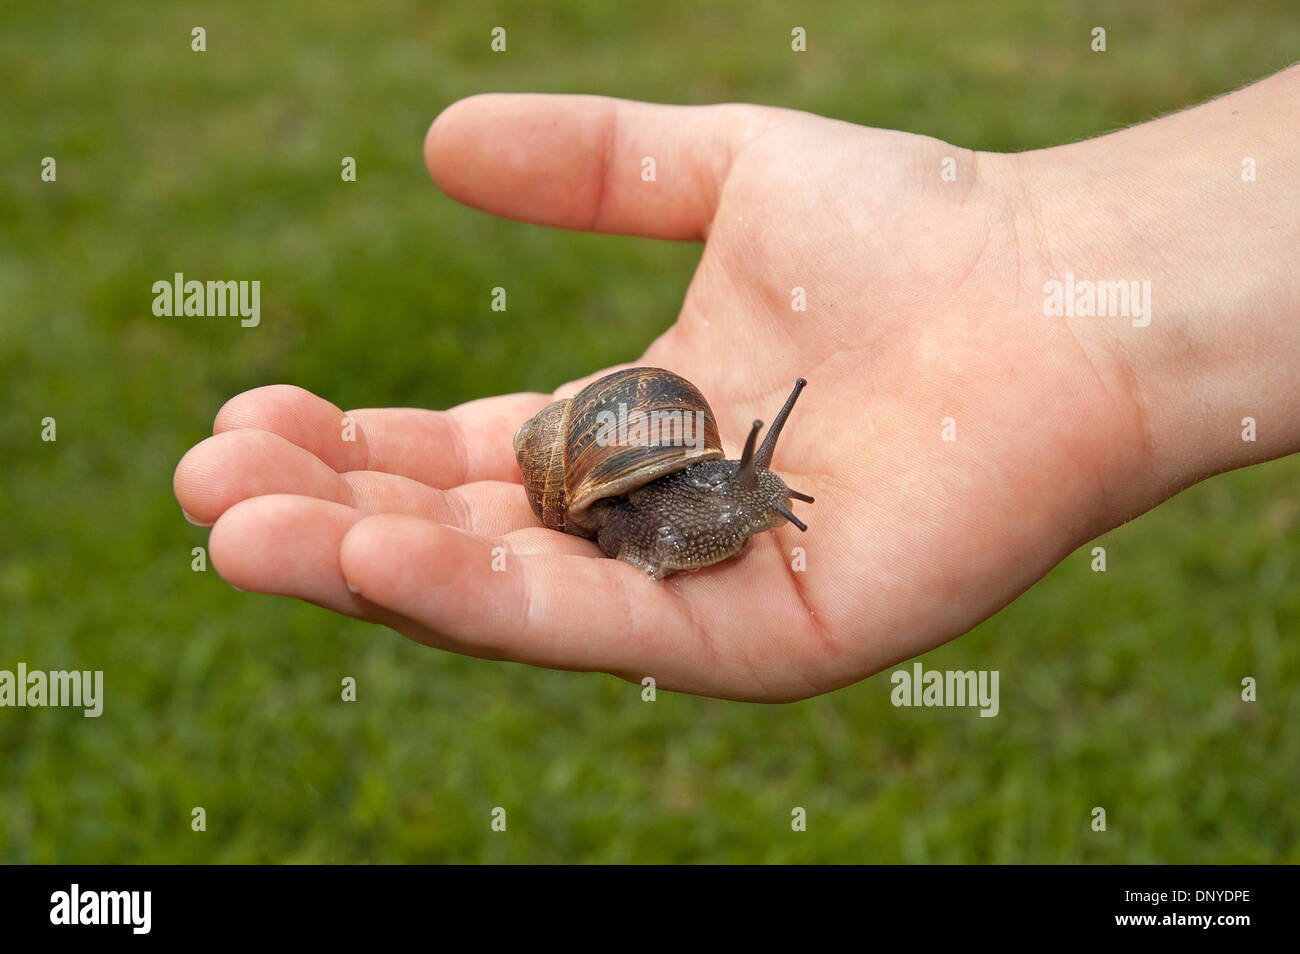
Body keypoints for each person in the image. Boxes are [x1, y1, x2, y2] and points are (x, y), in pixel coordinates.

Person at [173, 66, 1300, 702]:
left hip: (643, 479)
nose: (756, 486)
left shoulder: (712, 472)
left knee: (727, 499)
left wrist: (1019, 268)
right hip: (614, 480)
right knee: (699, 504)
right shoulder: (640, 477)